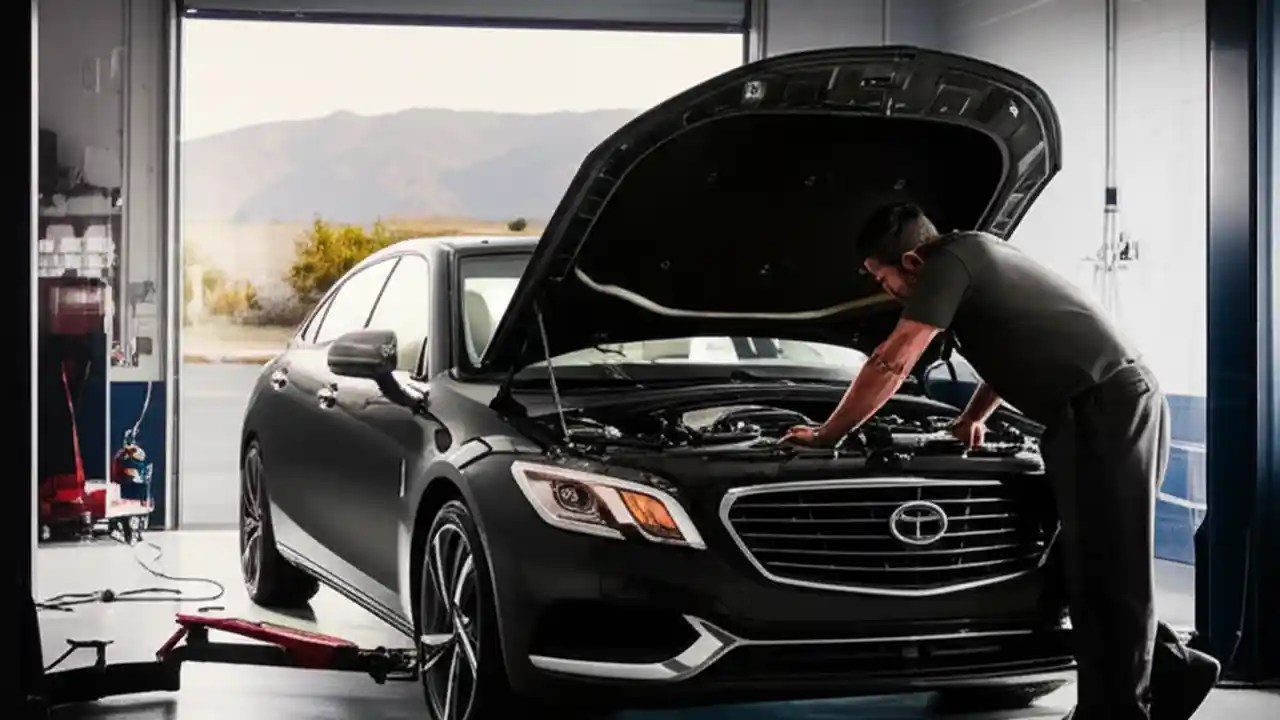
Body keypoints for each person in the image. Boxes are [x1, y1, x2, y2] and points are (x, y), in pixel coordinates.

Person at [783, 203, 1221, 720]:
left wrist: (829, 434)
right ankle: (1175, 667)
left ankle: (1116, 713)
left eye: (884, 279)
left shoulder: (951, 262)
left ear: (911, 261)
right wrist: (972, 416)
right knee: (1074, 562)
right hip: (1092, 411)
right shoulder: (978, 254)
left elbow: (894, 358)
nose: (887, 292)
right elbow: (1015, 344)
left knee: (1110, 567)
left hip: (1106, 405)